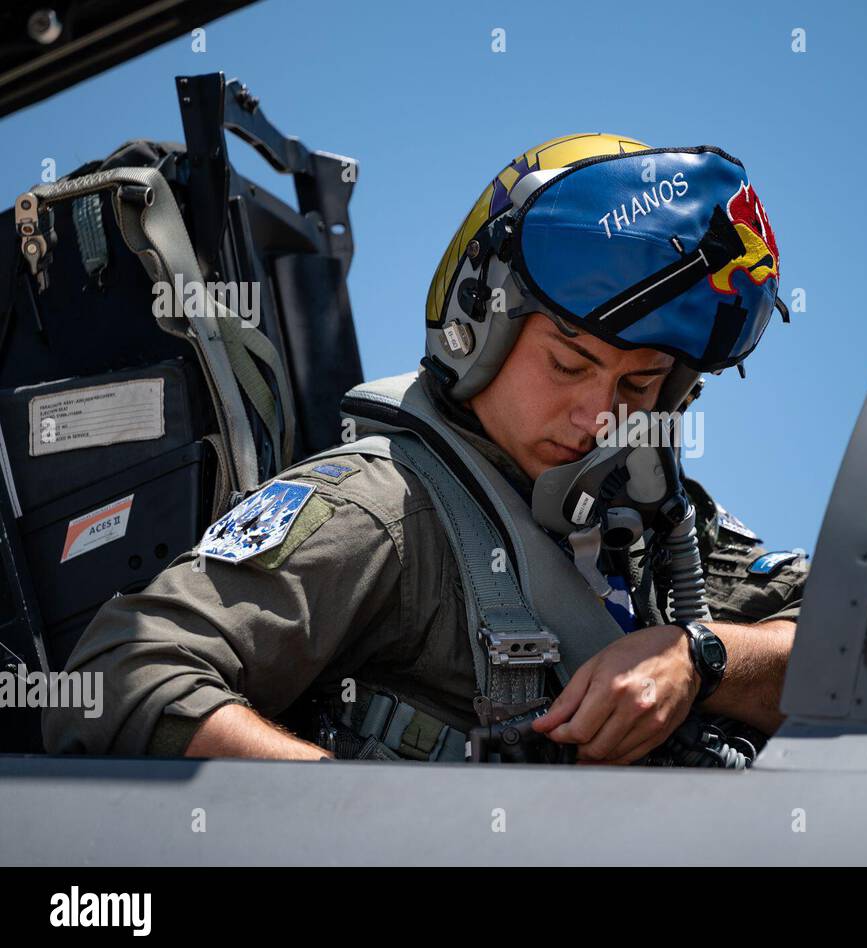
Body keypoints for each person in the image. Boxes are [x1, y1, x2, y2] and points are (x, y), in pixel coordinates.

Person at [43, 133, 808, 765]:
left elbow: (861, 659)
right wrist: (366, 817)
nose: (598, 416)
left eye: (638, 386)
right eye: (569, 364)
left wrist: (699, 658)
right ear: (484, 330)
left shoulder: (657, 523)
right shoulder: (382, 508)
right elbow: (120, 675)